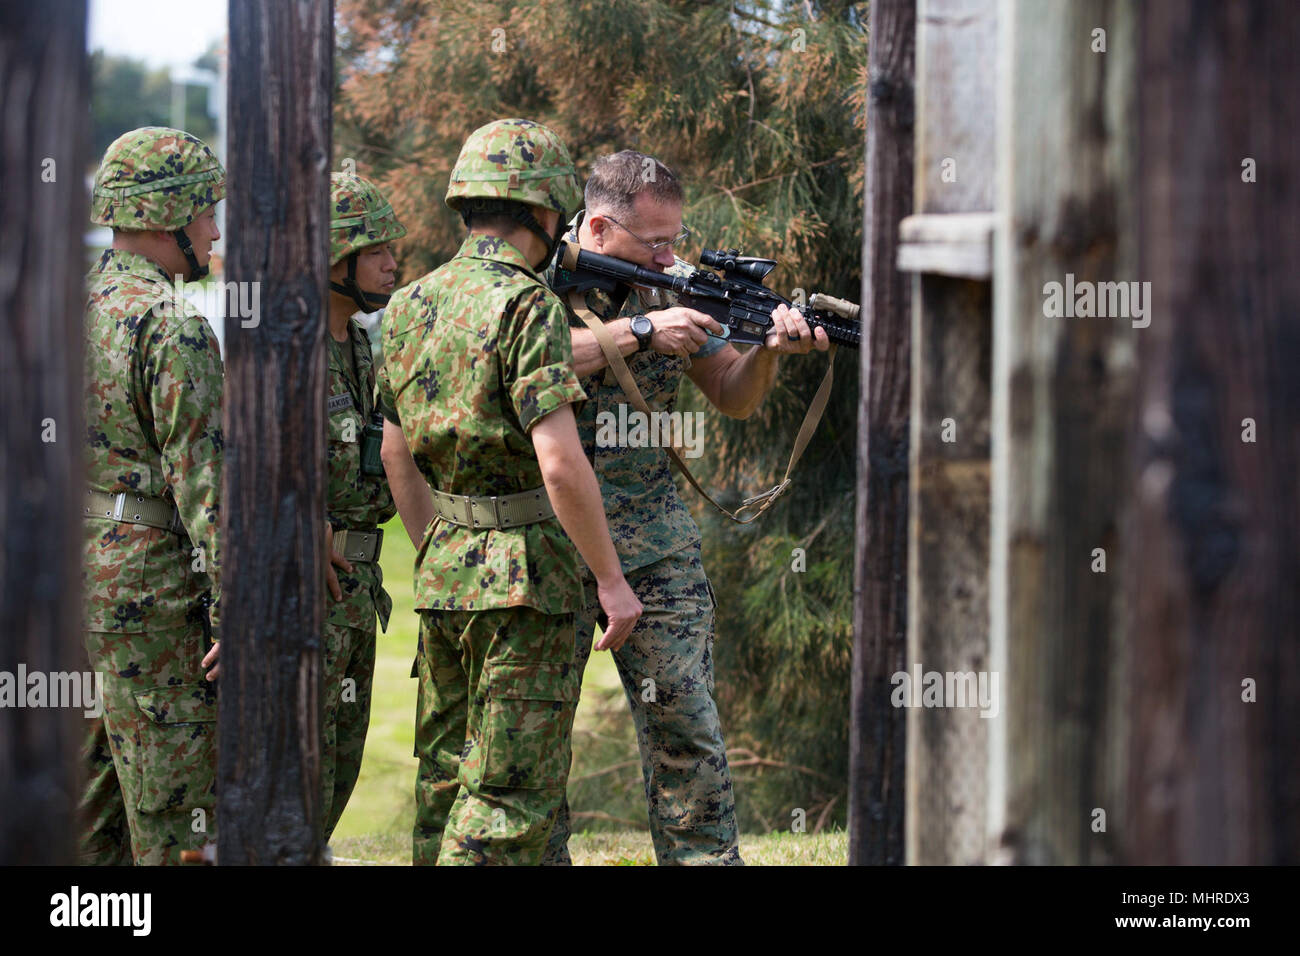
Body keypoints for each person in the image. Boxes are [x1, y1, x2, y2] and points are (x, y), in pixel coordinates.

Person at [542, 150, 830, 866]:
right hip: (545, 541)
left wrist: (766, 351)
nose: (672, 256)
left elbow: (730, 395)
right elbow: (518, 359)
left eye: (677, 237)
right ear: (600, 226)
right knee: (535, 740)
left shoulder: (671, 289)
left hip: (655, 545)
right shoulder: (537, 279)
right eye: (657, 242)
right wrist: (639, 333)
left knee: (688, 728)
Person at [377, 118, 642, 865]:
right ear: (546, 212)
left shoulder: (408, 304)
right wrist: (612, 581)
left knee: (445, 778)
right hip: (528, 577)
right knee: (508, 796)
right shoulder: (527, 306)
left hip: (445, 567)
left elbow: (396, 451)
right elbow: (559, 463)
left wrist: (439, 545)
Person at [80, 126, 225, 865]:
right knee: (178, 824)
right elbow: (207, 486)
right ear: (170, 213)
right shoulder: (169, 321)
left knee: (84, 819)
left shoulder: (57, 308)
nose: (214, 228)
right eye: (206, 211)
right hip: (150, 601)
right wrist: (241, 613)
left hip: (63, 588)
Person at [318, 172, 406, 842]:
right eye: (374, 248)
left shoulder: (361, 345)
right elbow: (219, 469)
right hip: (302, 594)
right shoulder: (279, 354)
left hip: (355, 587)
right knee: (293, 780)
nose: (392, 261)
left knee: (338, 774)